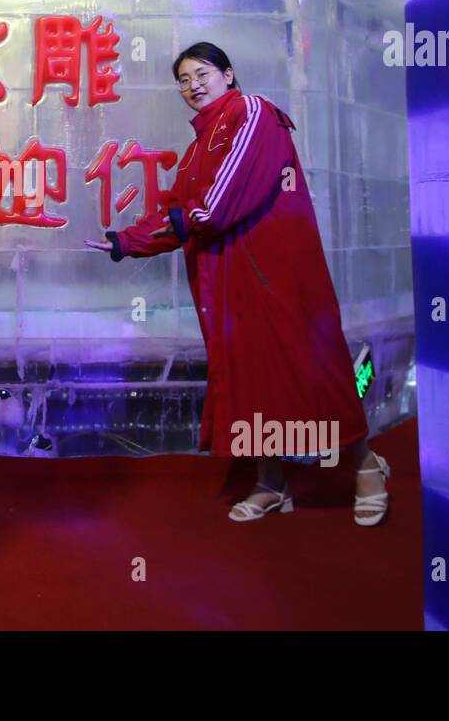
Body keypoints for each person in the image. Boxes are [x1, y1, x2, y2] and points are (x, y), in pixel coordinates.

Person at [85, 43, 389, 525]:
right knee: (250, 380)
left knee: (313, 371)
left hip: (280, 276)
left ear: (228, 75)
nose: (193, 85)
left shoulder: (251, 113)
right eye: (183, 80)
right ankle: (271, 483)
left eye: (202, 73)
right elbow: (179, 213)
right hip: (227, 285)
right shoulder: (192, 153)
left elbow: (215, 204)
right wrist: (126, 241)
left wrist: (176, 225)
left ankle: (367, 467)